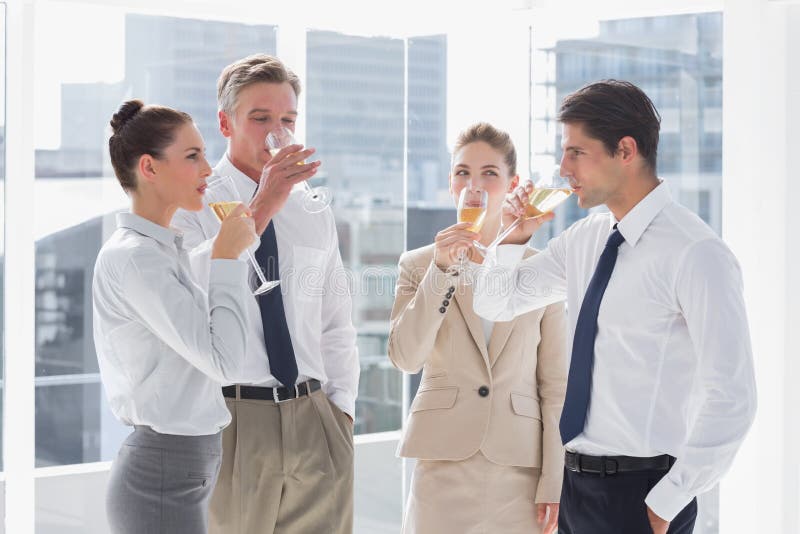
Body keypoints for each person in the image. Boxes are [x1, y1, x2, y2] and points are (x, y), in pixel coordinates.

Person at [472, 80, 757, 534]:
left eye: (576, 152)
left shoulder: (696, 252)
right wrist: (514, 235)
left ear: (625, 150)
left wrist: (666, 503)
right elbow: (496, 302)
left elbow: (733, 397)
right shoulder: (586, 239)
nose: (563, 167)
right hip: (576, 486)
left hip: (643, 495)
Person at [171, 53, 359, 534]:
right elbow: (190, 291)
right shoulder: (191, 202)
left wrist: (341, 415)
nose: (277, 132)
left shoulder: (313, 210)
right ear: (224, 123)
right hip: (233, 422)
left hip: (317, 419)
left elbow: (336, 319)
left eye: (287, 120)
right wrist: (264, 203)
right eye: (260, 119)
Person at [388, 123, 567, 534]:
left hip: (520, 468)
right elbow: (405, 357)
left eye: (489, 173)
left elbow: (556, 386)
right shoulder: (418, 264)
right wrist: (442, 268)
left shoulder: (540, 269)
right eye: (463, 172)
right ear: (451, 184)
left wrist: (555, 481)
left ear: (511, 184)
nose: (475, 184)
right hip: (442, 463)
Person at [93, 99, 259, 533]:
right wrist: (226, 258)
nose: (209, 169)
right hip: (160, 475)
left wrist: (226, 252)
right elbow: (224, 363)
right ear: (149, 168)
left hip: (181, 465)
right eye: (193, 156)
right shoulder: (137, 260)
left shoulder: (165, 252)